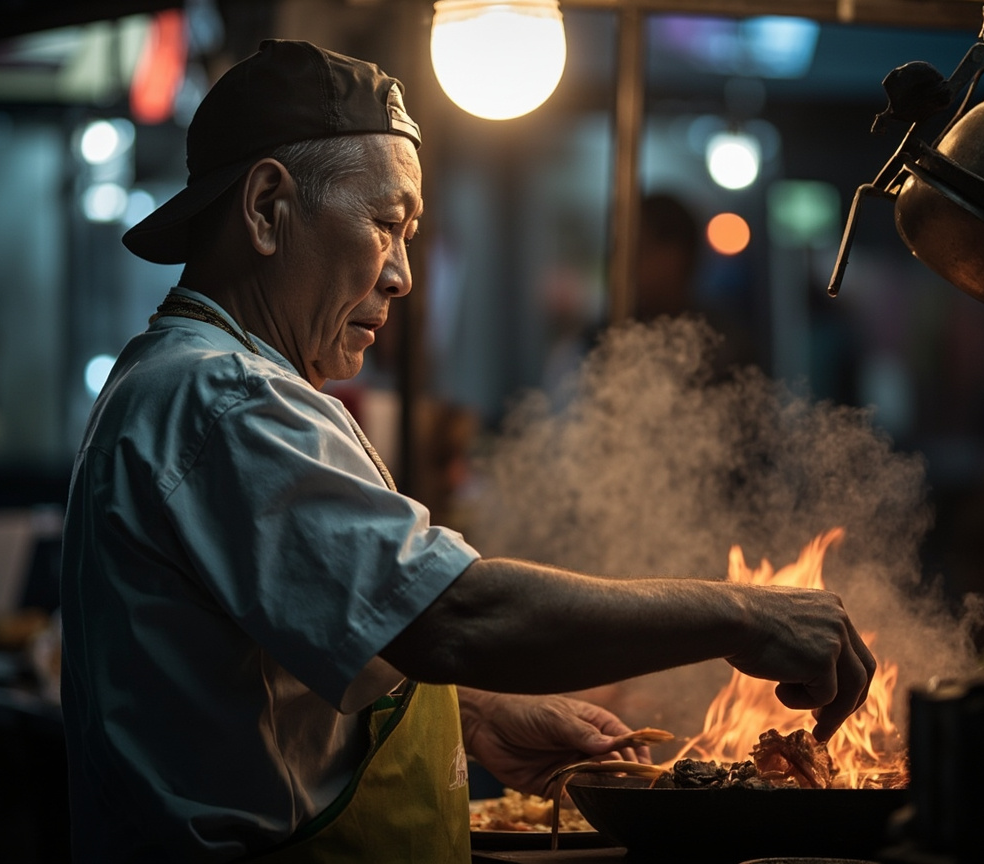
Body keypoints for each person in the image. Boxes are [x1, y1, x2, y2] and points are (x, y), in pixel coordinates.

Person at [60, 39, 877, 863]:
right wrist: (740, 613)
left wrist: (478, 715)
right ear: (268, 207)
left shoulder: (203, 382)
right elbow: (451, 616)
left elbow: (303, 643)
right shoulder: (221, 399)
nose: (403, 276)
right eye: (386, 224)